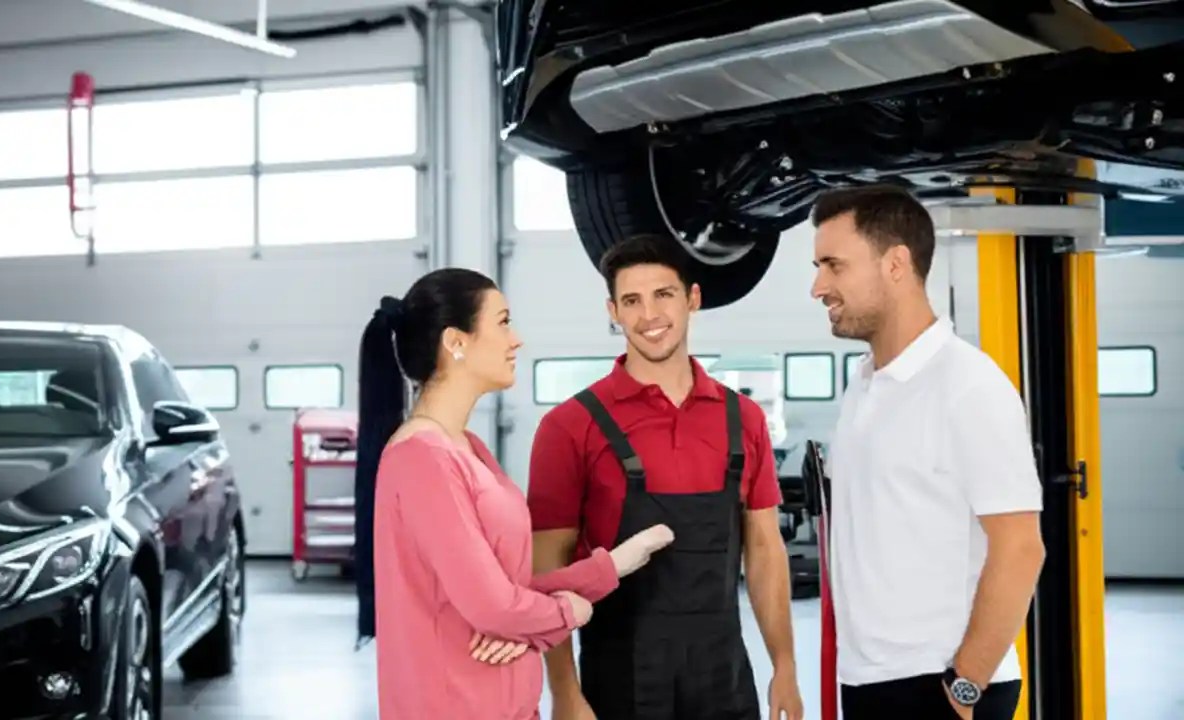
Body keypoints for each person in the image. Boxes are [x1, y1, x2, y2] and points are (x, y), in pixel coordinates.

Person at [359, 267, 676, 720]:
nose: (516, 340)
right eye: (503, 322)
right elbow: (493, 607)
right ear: (456, 342)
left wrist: (611, 566)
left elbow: (509, 590)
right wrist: (568, 612)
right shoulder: (421, 459)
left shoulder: (468, 448)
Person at [528, 235, 804, 720]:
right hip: (619, 684)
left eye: (663, 295)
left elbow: (764, 549)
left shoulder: (743, 419)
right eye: (631, 300)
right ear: (613, 311)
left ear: (692, 298)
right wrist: (565, 694)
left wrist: (784, 665)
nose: (649, 315)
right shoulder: (569, 426)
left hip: (724, 682)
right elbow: (547, 568)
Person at [808, 184, 1047, 720]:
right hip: (870, 679)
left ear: (896, 264)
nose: (818, 287)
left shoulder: (967, 385)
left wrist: (965, 685)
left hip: (938, 685)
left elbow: (1020, 547)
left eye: (833, 265)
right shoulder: (864, 384)